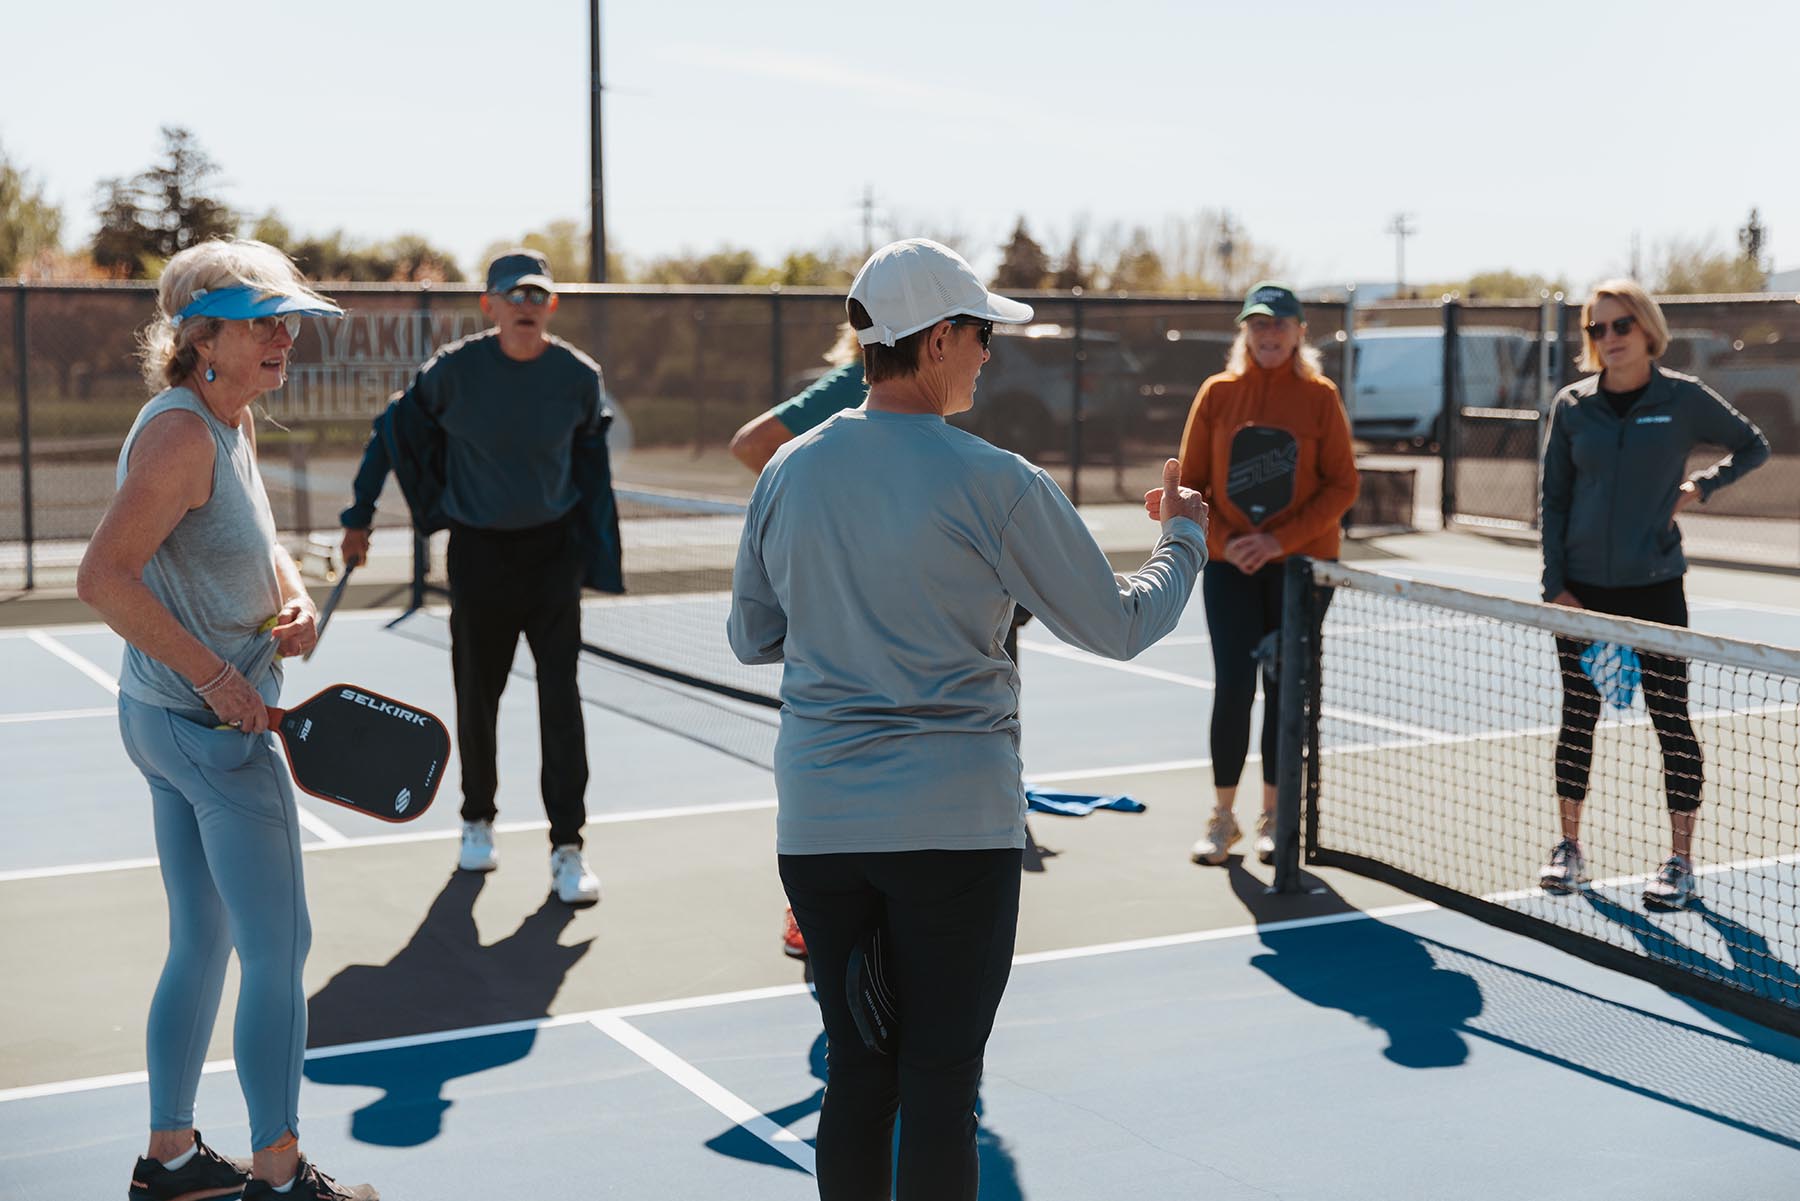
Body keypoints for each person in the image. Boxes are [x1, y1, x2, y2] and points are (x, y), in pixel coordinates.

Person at [728, 238, 1208, 1200]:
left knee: (859, 1078)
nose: (990, 355)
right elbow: (1121, 623)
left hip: (820, 830)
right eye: (983, 335)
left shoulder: (787, 473)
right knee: (940, 1088)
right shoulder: (999, 480)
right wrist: (1184, 535)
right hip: (954, 833)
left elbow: (753, 636)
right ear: (939, 338)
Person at [77, 239, 378, 1199]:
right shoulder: (178, 434)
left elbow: (260, 544)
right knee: (279, 951)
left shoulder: (225, 419)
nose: (287, 336)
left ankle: (169, 1159)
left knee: (201, 941)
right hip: (211, 734)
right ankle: (280, 1176)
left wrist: (289, 597)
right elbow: (102, 578)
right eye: (265, 320)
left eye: (289, 319)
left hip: (167, 726)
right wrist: (220, 680)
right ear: (202, 334)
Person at [339, 249, 621, 907]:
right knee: (477, 697)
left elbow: (589, 463)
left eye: (536, 297)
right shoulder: (453, 372)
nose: (525, 307)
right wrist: (358, 514)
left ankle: (568, 848)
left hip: (553, 558)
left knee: (562, 700)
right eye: (511, 296)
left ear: (550, 306)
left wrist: (593, 553)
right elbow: (390, 433)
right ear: (488, 305)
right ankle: (477, 821)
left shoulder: (578, 377)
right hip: (478, 557)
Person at [1538, 279, 1768, 909]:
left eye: (1620, 326)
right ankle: (1568, 849)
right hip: (1581, 594)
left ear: (1646, 329)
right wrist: (1555, 585)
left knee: (1672, 723)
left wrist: (1701, 486)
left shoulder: (1683, 399)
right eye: (1596, 328)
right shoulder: (1573, 405)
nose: (1608, 339)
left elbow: (1754, 445)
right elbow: (1552, 498)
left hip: (1656, 590)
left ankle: (1680, 860)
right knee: (1577, 718)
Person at [1167, 282, 1358, 867]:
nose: (1268, 334)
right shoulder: (1218, 394)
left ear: (1300, 332)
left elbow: (1342, 485)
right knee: (1233, 689)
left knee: (1285, 694)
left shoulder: (1320, 397)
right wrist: (1229, 542)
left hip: (1300, 572)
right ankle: (1223, 818)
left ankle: (1276, 817)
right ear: (1244, 332)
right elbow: (1191, 482)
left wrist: (1278, 541)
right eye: (1257, 325)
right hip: (1229, 569)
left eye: (1279, 325)